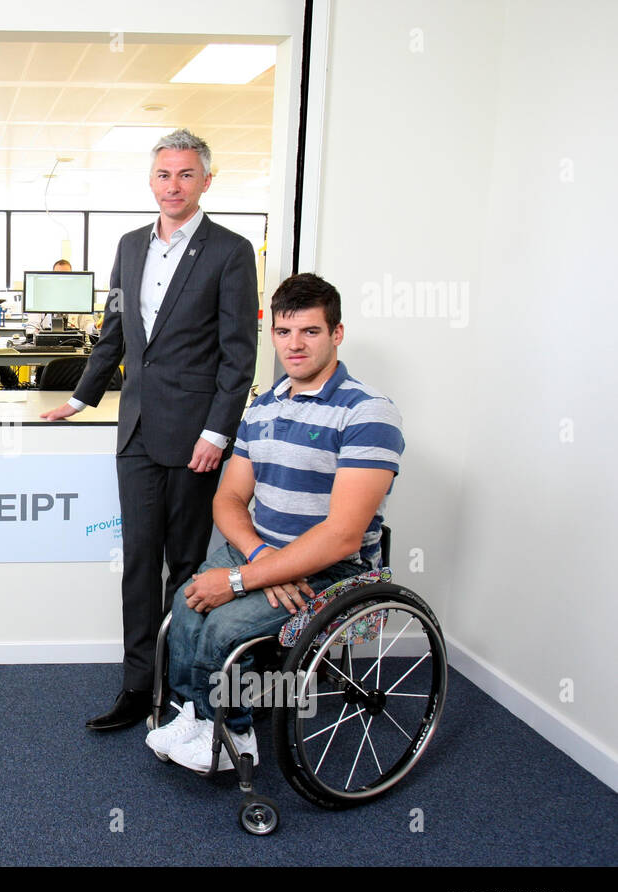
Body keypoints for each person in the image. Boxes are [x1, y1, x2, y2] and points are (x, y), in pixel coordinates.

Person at [41, 128, 258, 731]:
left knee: (186, 566)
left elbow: (239, 354)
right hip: (135, 429)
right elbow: (114, 332)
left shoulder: (230, 251)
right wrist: (81, 399)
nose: (174, 185)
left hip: (195, 437)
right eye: (164, 174)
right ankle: (138, 687)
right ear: (151, 180)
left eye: (186, 174)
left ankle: (182, 688)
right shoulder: (130, 245)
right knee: (139, 561)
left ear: (206, 181)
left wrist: (217, 434)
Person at [145, 273, 404, 771]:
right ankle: (197, 715)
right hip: (261, 550)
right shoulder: (262, 407)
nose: (295, 345)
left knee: (223, 627)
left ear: (337, 334)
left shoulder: (368, 412)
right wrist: (263, 558)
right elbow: (230, 498)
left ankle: (236, 737)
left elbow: (343, 533)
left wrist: (245, 579)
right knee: (185, 598)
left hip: (333, 568)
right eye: (284, 333)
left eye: (310, 331)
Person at [27, 258, 94, 336]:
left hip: (73, 343)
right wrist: (34, 336)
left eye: (66, 276)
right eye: (58, 275)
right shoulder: (41, 297)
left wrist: (94, 327)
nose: (62, 279)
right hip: (46, 343)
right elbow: (32, 325)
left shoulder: (80, 297)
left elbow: (87, 324)